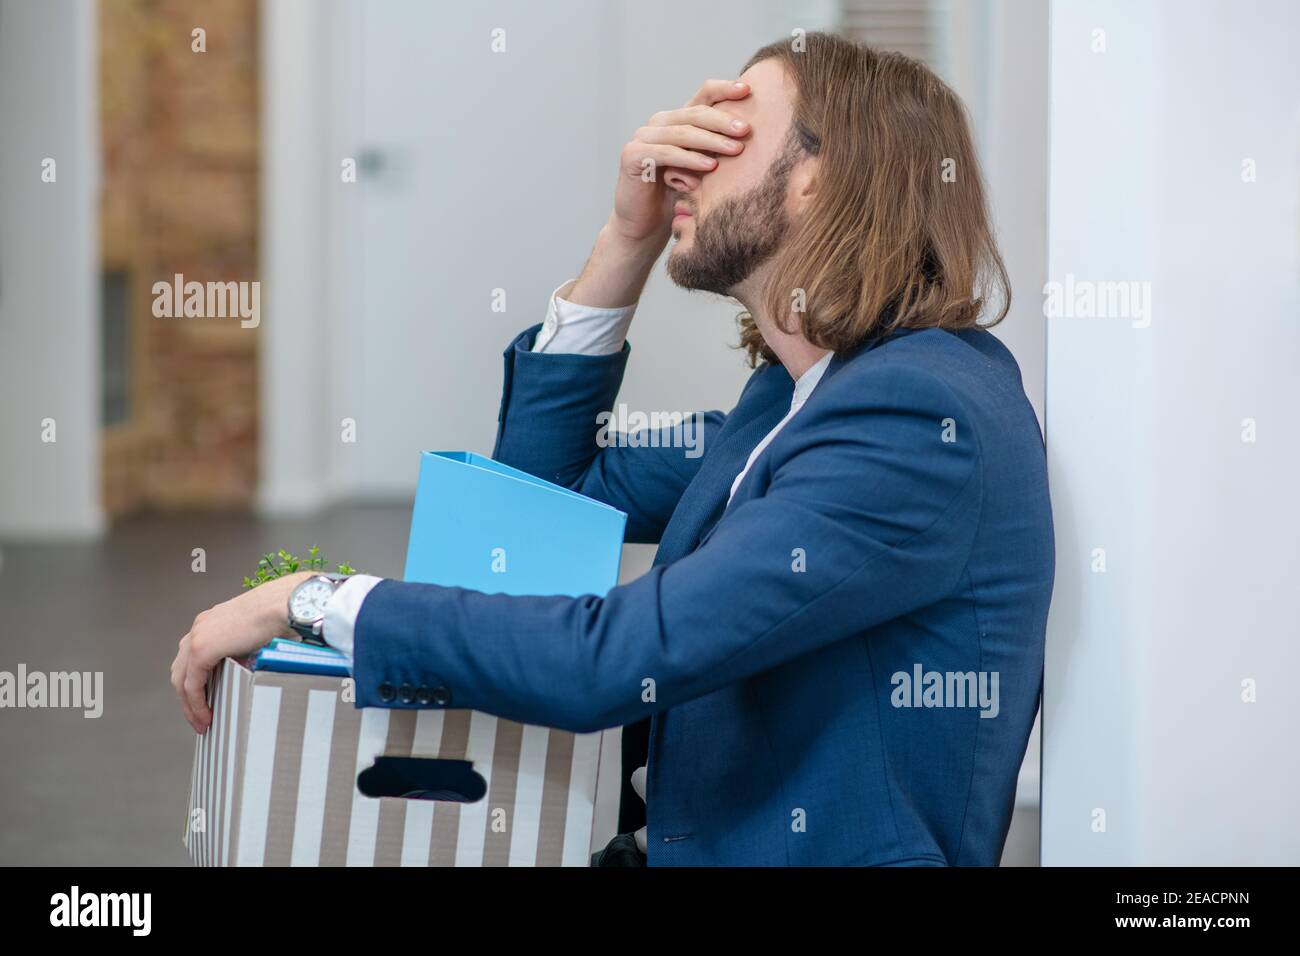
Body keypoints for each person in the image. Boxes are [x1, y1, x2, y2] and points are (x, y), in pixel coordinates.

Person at [171, 32, 1054, 866]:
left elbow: (615, 660)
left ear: (819, 179)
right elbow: (541, 495)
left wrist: (310, 600)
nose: (680, 166)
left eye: (725, 139)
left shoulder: (914, 416)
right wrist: (625, 240)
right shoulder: (799, 396)